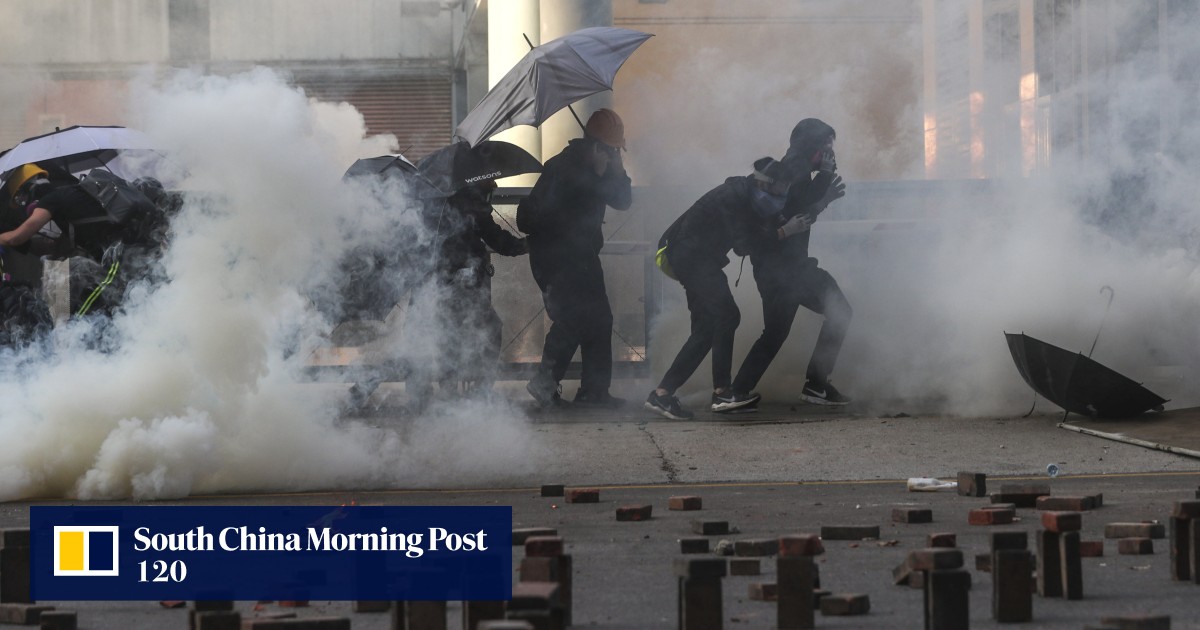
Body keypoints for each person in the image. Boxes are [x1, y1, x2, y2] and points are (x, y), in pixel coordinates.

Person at [644, 157, 811, 420]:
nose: (782, 197)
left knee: (706, 329)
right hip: (692, 257)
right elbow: (744, 245)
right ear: (762, 183)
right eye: (780, 190)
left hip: (695, 258)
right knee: (727, 315)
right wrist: (784, 232)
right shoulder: (733, 198)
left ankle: (662, 394)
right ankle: (722, 392)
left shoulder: (746, 196)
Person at [728, 118, 852, 406]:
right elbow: (795, 209)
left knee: (774, 335)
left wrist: (824, 199)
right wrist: (825, 177)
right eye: (827, 147)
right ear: (815, 147)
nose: (830, 154)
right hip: (789, 271)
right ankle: (816, 385)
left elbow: (799, 213)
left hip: (779, 271)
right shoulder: (795, 168)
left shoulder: (793, 167)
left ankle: (737, 392)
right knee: (840, 311)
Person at [518, 108, 633, 408]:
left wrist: (614, 170)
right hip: (556, 258)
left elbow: (623, 201)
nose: (615, 156)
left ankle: (594, 391)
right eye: (612, 151)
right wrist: (593, 175)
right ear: (597, 147)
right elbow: (530, 218)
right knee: (572, 317)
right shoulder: (563, 167)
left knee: (599, 319)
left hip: (582, 255)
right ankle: (545, 382)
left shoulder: (600, 167)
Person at [430, 179, 528, 395]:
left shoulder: (442, 197)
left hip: (442, 278)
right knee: (490, 329)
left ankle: (448, 384)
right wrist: (525, 245)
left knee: (450, 331)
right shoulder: (471, 201)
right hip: (465, 279)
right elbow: (496, 238)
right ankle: (481, 386)